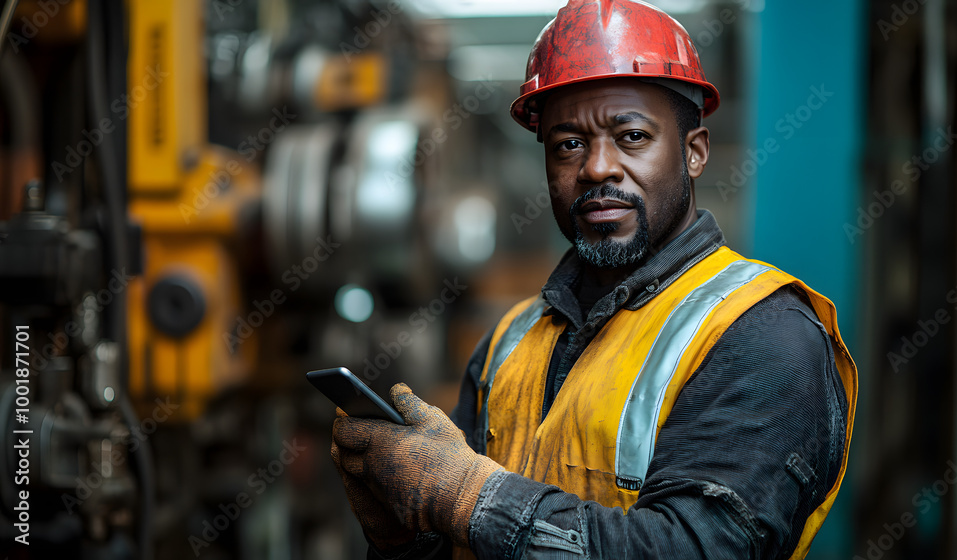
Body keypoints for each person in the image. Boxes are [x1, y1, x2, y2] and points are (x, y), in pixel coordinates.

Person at [330, 0, 858, 558]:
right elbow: (457, 542)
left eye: (631, 136)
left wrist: (471, 496)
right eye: (568, 144)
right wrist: (399, 534)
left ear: (695, 153)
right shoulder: (509, 342)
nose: (596, 167)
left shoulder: (763, 333)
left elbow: (694, 548)